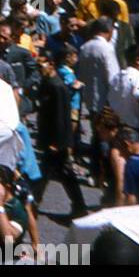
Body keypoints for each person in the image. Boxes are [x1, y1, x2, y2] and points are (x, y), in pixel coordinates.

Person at [33, 54, 88, 220]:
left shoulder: (57, 87)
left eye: (42, 64)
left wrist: (57, 142)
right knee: (55, 173)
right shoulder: (47, 83)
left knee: (53, 173)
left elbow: (61, 117)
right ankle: (78, 206)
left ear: (50, 64)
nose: (39, 68)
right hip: (51, 139)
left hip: (56, 140)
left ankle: (35, 203)